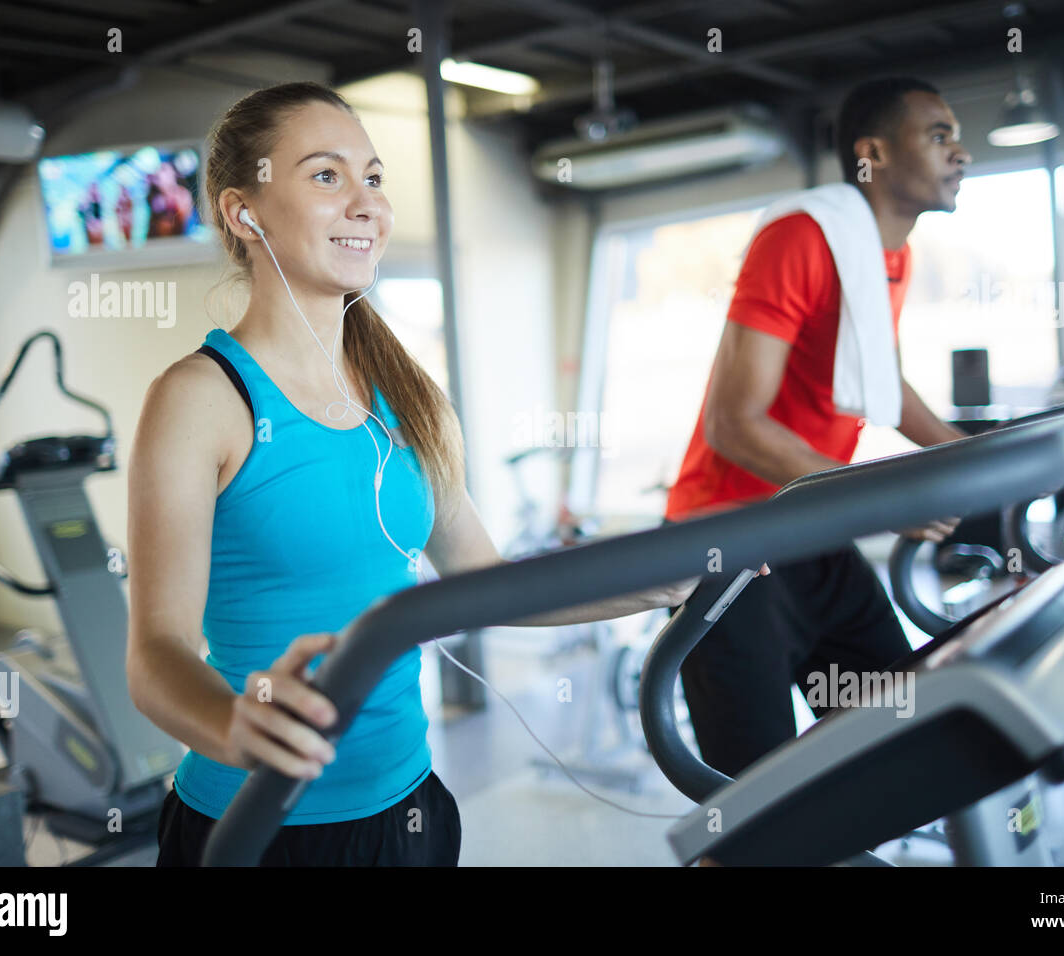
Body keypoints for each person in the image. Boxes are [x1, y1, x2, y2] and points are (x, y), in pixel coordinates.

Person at [126, 82, 697, 867]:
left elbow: (488, 580)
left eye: (374, 177)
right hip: (258, 826)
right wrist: (236, 722)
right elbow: (155, 654)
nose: (366, 203)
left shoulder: (403, 396)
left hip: (410, 809)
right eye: (326, 177)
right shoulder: (200, 398)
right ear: (242, 212)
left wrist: (666, 580)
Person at [664, 76, 973, 782]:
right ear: (873, 153)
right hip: (730, 538)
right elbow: (734, 426)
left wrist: (982, 457)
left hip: (812, 531)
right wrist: (883, 500)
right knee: (749, 803)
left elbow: (884, 382)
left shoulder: (889, 254)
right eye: (939, 135)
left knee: (898, 731)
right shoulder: (801, 235)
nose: (962, 153)